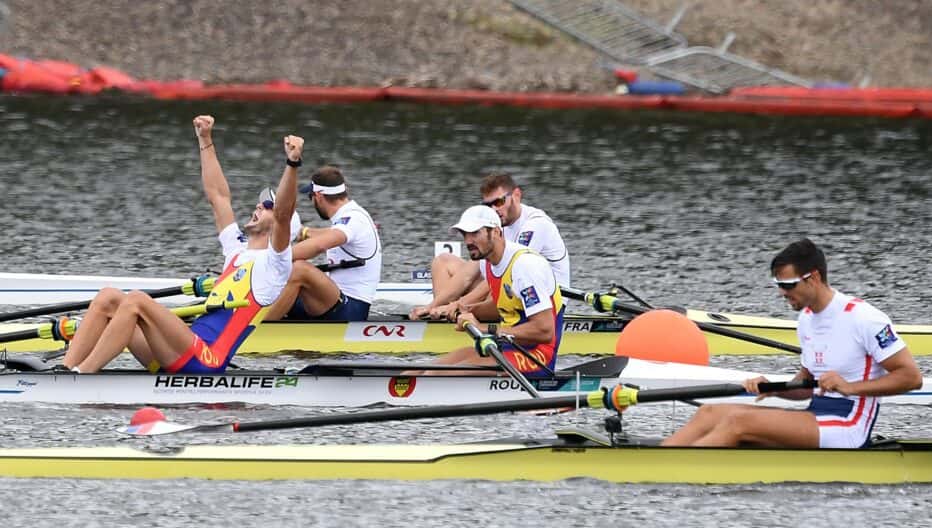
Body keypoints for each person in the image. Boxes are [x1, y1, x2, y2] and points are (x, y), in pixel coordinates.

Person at [62, 116, 300, 373]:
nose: (259, 206)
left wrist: (292, 164)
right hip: (181, 350)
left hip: (207, 359)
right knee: (108, 297)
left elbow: (283, 214)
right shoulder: (237, 249)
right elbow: (218, 196)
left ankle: (82, 375)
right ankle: (64, 371)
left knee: (137, 300)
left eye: (267, 206)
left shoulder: (274, 265)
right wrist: (205, 140)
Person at [662, 238, 923, 448]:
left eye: (788, 284)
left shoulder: (864, 318)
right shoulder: (806, 320)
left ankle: (676, 474)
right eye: (778, 285)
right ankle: (657, 466)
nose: (782, 292)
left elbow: (911, 378)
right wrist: (772, 388)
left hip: (849, 425)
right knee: (709, 412)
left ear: (814, 277)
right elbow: (805, 386)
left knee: (737, 421)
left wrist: (851, 387)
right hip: (816, 414)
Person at [409, 173, 569, 320]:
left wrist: (458, 304)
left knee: (493, 288)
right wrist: (432, 306)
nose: (494, 209)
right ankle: (442, 316)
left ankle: (455, 315)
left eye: (499, 202)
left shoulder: (535, 225)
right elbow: (468, 275)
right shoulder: (495, 224)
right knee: (443, 262)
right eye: (488, 205)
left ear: (516, 195)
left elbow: (506, 275)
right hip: (511, 289)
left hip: (543, 301)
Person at [434, 205, 564, 375]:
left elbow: (545, 331)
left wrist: (482, 328)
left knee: (443, 374)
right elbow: (502, 307)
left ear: (495, 232)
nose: (468, 241)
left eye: (475, 233)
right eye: (465, 234)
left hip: (537, 357)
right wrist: (464, 309)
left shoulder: (525, 266)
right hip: (507, 348)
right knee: (427, 370)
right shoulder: (487, 263)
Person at [265, 165, 381, 321]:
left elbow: (319, 245)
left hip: (352, 308)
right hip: (335, 301)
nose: (312, 201)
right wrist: (304, 232)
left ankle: (257, 327)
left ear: (318, 196)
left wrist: (269, 258)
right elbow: (330, 234)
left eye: (310, 197)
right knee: (278, 283)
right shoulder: (349, 217)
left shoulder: (354, 218)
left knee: (299, 269)